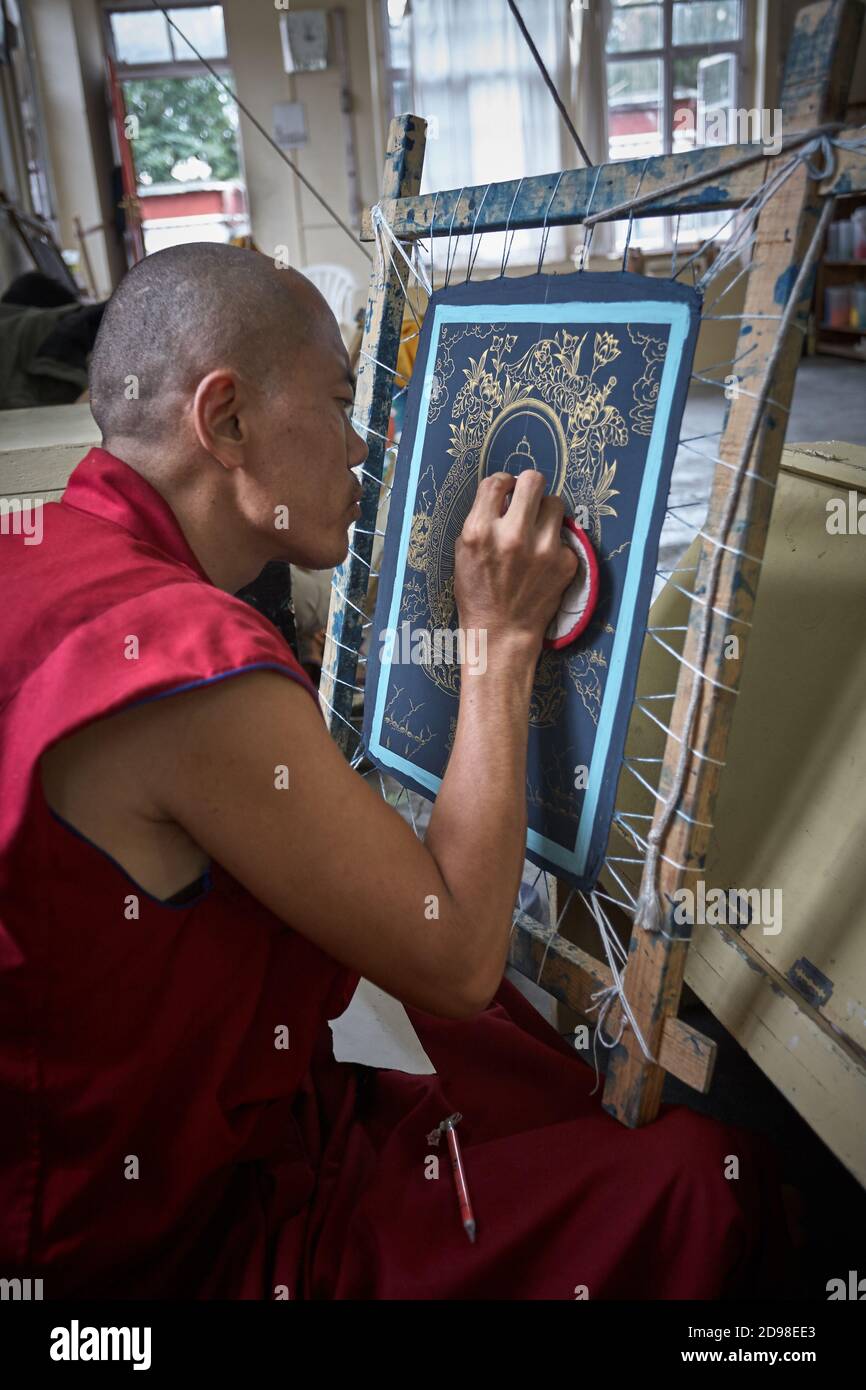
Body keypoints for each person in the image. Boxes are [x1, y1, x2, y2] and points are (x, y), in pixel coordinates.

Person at [0, 243, 792, 1300]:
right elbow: (463, 955)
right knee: (703, 1179)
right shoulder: (184, 660)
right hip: (145, 1248)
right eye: (335, 400)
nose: (366, 441)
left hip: (95, 1143)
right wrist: (498, 638)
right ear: (226, 420)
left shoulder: (39, 546)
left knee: (512, 1069)